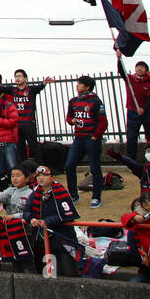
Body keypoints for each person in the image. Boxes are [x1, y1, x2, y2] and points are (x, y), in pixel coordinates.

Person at [64, 75, 107, 208]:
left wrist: (95, 136)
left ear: (87, 87)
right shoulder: (73, 101)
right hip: (78, 138)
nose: (77, 86)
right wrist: (73, 121)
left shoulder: (96, 101)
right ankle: (73, 195)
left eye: (80, 84)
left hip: (91, 138)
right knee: (69, 165)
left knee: (95, 168)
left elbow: (103, 122)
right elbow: (69, 117)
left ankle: (96, 197)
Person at [0, 70, 47, 164]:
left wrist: (44, 83)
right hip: (17, 124)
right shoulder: (13, 90)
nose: (17, 78)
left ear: (25, 78)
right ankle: (24, 168)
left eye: (19, 76)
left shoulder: (30, 90)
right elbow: (0, 89)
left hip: (29, 122)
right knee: (20, 147)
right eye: (16, 76)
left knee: (33, 146)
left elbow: (39, 87)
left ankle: (40, 167)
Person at [115, 49, 150, 160]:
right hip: (132, 111)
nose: (139, 69)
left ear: (146, 70)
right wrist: (119, 59)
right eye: (138, 67)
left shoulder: (149, 82)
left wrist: (144, 108)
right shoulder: (131, 79)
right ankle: (131, 159)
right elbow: (121, 71)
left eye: (142, 67)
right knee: (132, 136)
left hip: (146, 112)